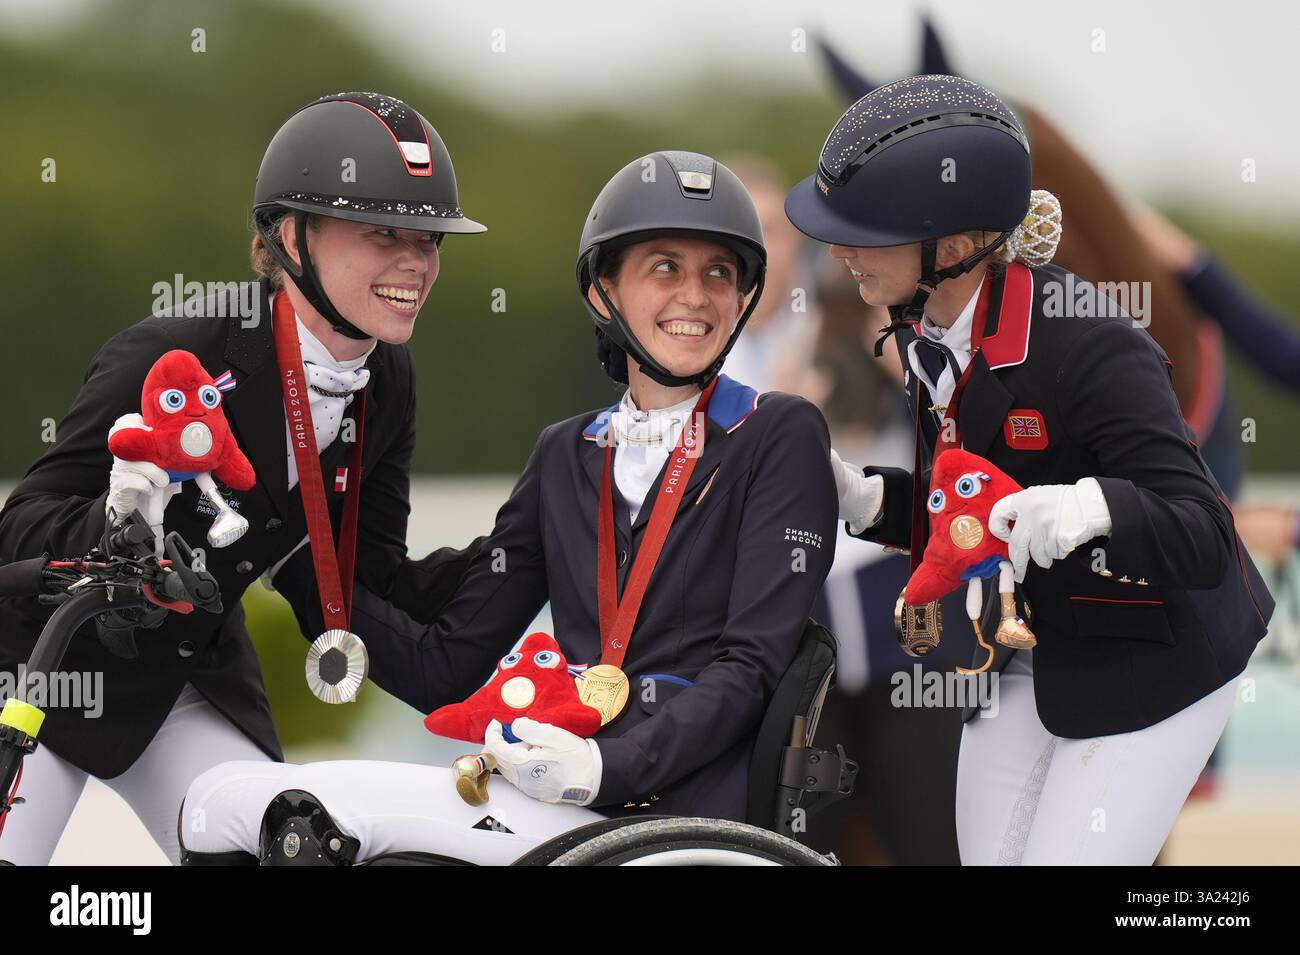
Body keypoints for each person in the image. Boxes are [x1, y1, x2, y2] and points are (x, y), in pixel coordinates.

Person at [179, 150, 839, 865]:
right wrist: (295, 561)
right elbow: (447, 663)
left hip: (690, 824)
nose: (697, 295)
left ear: (744, 299)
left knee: (298, 814)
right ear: (602, 291)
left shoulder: (779, 433)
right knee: (227, 800)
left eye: (720, 273)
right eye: (665, 268)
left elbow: (749, 667)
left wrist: (604, 768)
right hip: (565, 807)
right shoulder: (565, 454)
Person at [785, 75, 1275, 864]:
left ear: (950, 248)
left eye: (863, 231)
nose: (838, 253)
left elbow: (1203, 534)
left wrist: (1093, 507)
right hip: (1037, 646)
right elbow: (971, 516)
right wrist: (868, 498)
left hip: (1163, 653)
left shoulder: (1090, 341)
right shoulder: (923, 337)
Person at [0, 91, 485, 865]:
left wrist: (530, 542)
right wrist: (124, 527)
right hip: (39, 674)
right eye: (384, 232)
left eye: (428, 239)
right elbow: (20, 525)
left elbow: (372, 579)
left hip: (184, 683)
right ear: (292, 236)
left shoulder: (387, 378)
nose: (415, 263)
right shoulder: (173, 352)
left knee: (293, 849)